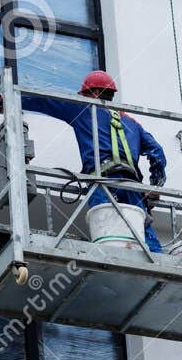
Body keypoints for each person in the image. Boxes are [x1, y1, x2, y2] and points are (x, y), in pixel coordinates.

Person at [22, 70, 168, 253]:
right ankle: (156, 263)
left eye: (85, 95)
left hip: (103, 180)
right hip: (132, 185)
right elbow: (158, 152)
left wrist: (13, 99)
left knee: (107, 232)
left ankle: (112, 260)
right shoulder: (131, 122)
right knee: (142, 230)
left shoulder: (85, 109)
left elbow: (47, 101)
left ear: (95, 93)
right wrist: (155, 185)